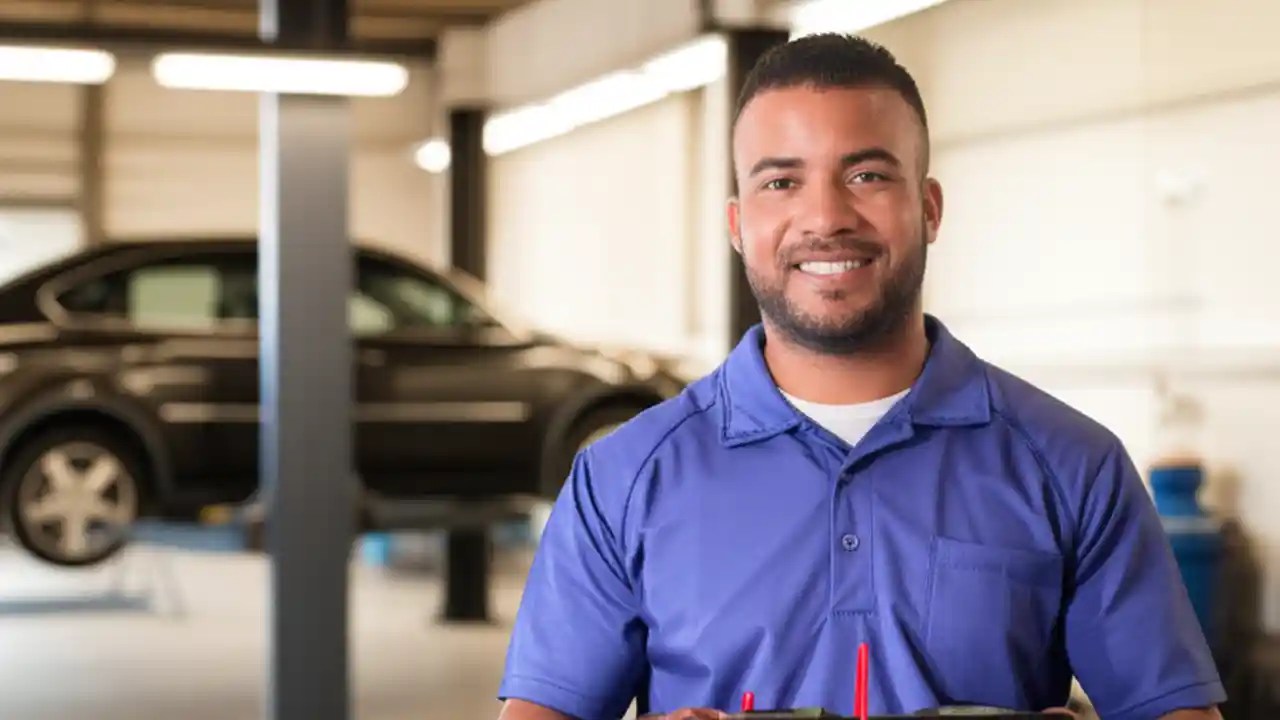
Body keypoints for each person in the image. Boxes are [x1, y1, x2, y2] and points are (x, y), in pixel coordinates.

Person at [495, 33, 1226, 720]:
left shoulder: (1071, 465)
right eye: (781, 181)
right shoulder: (622, 479)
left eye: (868, 175)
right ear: (737, 223)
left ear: (928, 208)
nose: (826, 216)